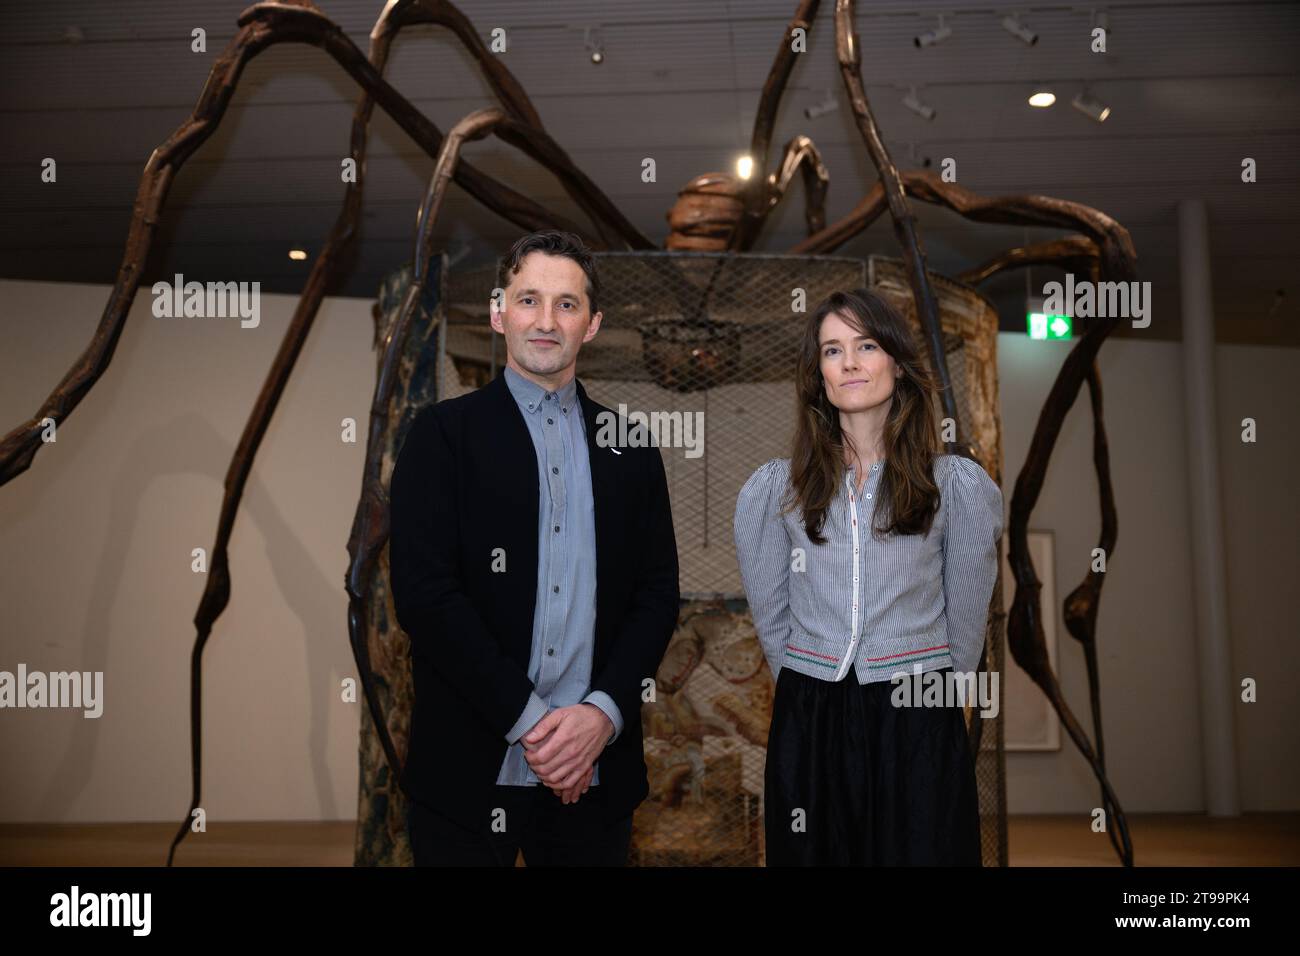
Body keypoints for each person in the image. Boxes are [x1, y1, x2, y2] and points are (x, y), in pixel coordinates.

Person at [388, 230, 679, 866]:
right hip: (467, 769)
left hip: (593, 777)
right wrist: (536, 726)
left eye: (567, 305)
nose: (546, 321)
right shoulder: (442, 437)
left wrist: (599, 718)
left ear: (593, 324)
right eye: (528, 300)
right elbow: (426, 597)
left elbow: (657, 598)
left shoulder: (632, 448)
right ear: (499, 313)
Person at [733, 287, 1004, 866]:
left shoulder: (952, 485)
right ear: (819, 376)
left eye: (866, 345)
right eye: (832, 351)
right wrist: (811, 685)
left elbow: (967, 617)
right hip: (811, 713)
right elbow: (771, 615)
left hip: (918, 712)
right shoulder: (778, 489)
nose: (849, 362)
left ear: (898, 365)